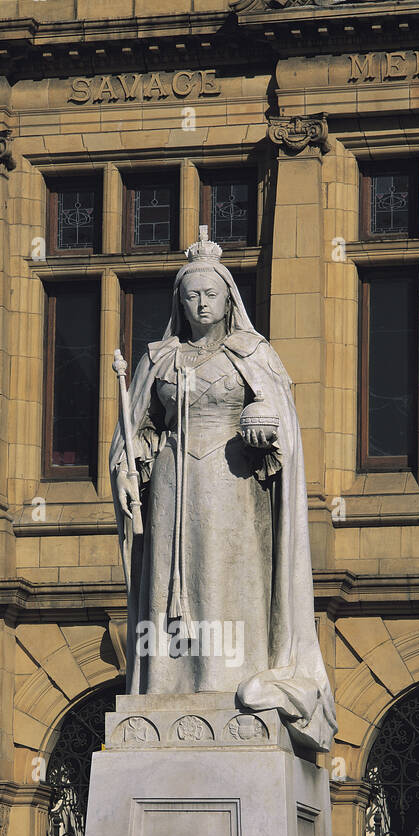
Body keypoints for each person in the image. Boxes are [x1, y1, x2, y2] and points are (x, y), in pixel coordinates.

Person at [110, 231, 336, 752]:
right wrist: (134, 457)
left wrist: (266, 424)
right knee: (168, 585)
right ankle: (166, 685)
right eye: (191, 295)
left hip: (234, 485)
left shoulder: (252, 352)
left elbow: (282, 423)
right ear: (179, 302)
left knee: (230, 579)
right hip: (171, 486)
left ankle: (234, 676)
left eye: (211, 293)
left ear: (228, 297)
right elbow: (135, 430)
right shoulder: (158, 359)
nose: (201, 303)